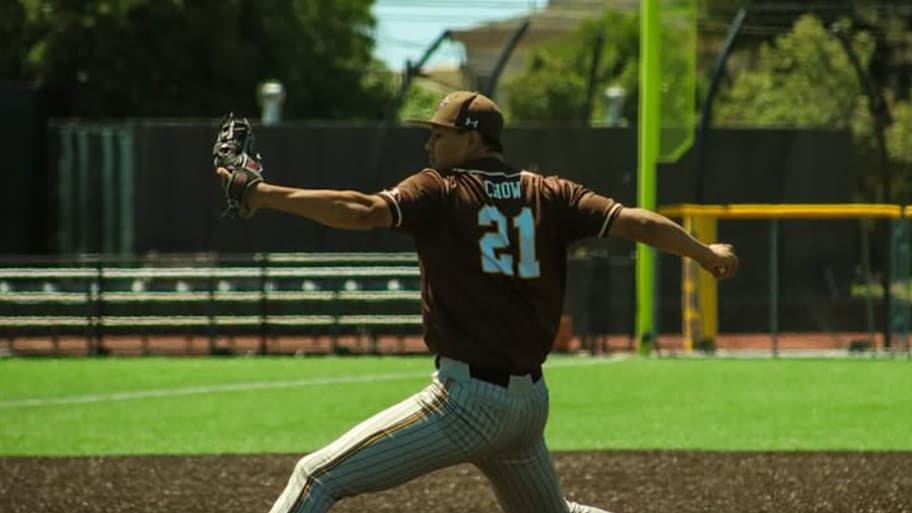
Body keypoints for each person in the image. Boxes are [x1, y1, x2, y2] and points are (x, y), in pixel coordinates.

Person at [215, 91, 739, 513]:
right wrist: (704, 253)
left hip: (466, 403)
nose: (428, 146)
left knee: (315, 478)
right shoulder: (549, 191)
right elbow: (637, 222)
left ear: (470, 139)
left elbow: (363, 210)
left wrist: (261, 194)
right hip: (527, 405)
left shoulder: (442, 188)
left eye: (437, 135)